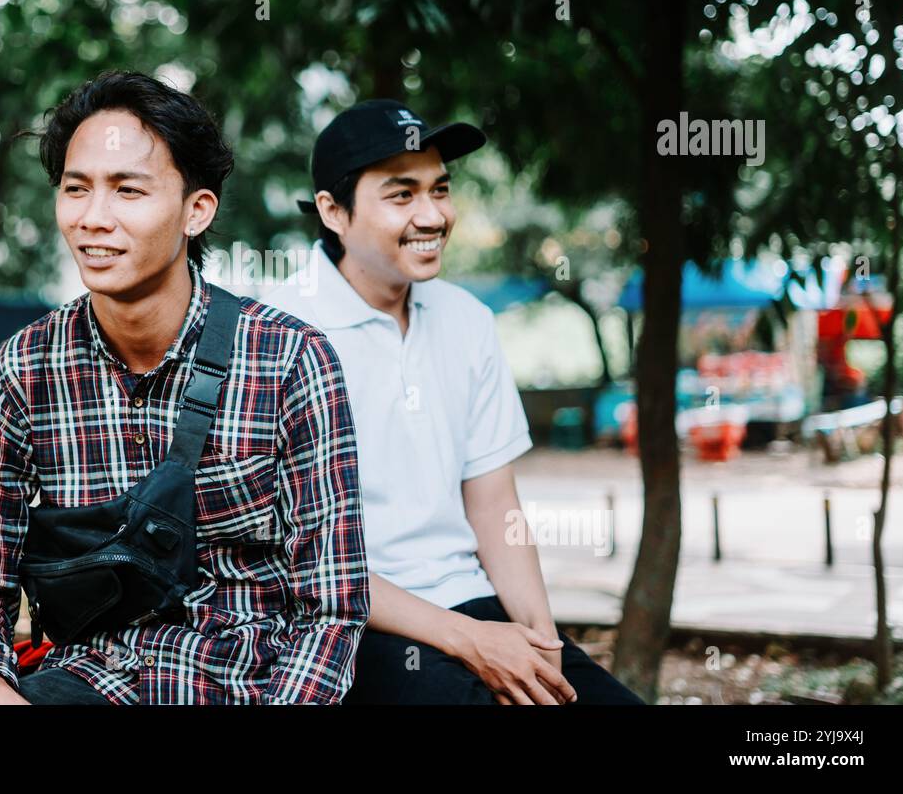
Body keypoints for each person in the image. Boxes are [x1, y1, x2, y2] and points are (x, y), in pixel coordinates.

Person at [0, 71, 368, 704]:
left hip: (246, 687)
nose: (93, 218)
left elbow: (331, 610)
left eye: (128, 191)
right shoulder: (21, 373)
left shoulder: (291, 361)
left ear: (197, 211)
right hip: (85, 678)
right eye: (75, 189)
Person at [264, 99, 643, 704]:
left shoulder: (468, 321)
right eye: (401, 194)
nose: (433, 214)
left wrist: (541, 643)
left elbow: (495, 505)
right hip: (347, 623)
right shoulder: (278, 334)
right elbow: (299, 559)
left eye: (440, 189)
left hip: (469, 599)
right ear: (334, 212)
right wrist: (469, 641)